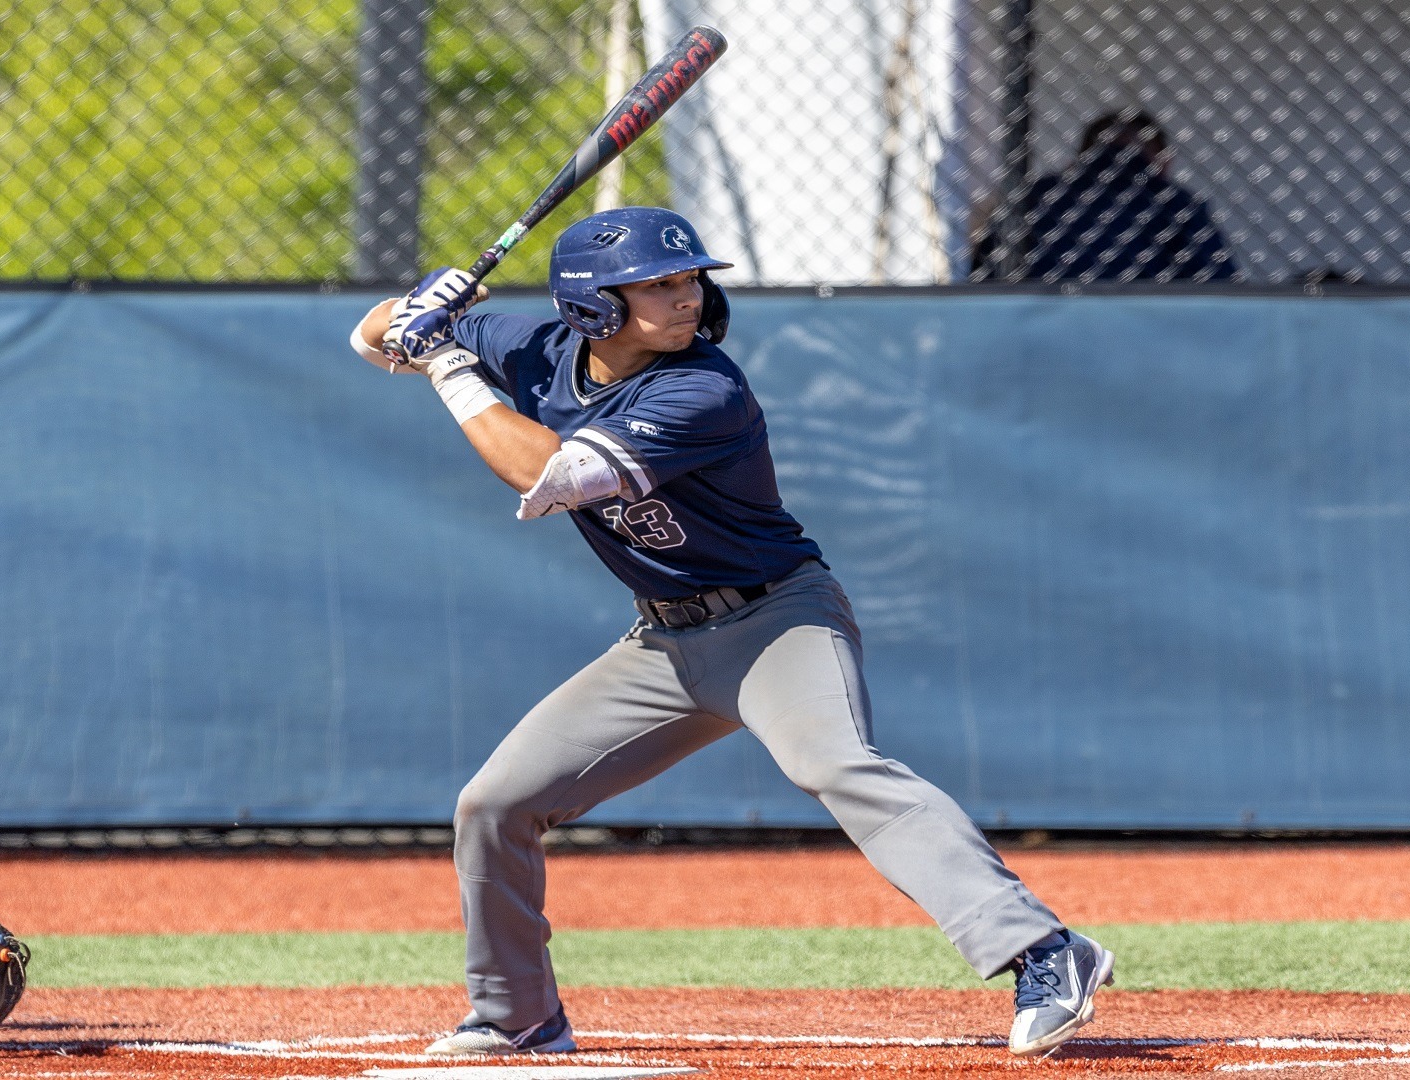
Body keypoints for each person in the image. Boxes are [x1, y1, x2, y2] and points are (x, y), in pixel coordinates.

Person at [351, 207, 1114, 1060]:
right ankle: (517, 1014)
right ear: (593, 305)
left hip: (777, 621)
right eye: (658, 285)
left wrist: (443, 359)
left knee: (835, 765)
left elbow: (545, 475)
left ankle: (1045, 950)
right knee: (495, 804)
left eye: (690, 280)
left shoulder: (700, 389)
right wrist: (423, 309)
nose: (687, 298)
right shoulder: (534, 347)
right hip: (662, 645)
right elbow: (371, 335)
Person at [972, 109, 1236, 282]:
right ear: (1163, 160)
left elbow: (983, 273)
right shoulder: (1176, 203)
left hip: (1039, 327)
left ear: (1080, 157)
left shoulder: (1035, 196)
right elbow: (1218, 282)